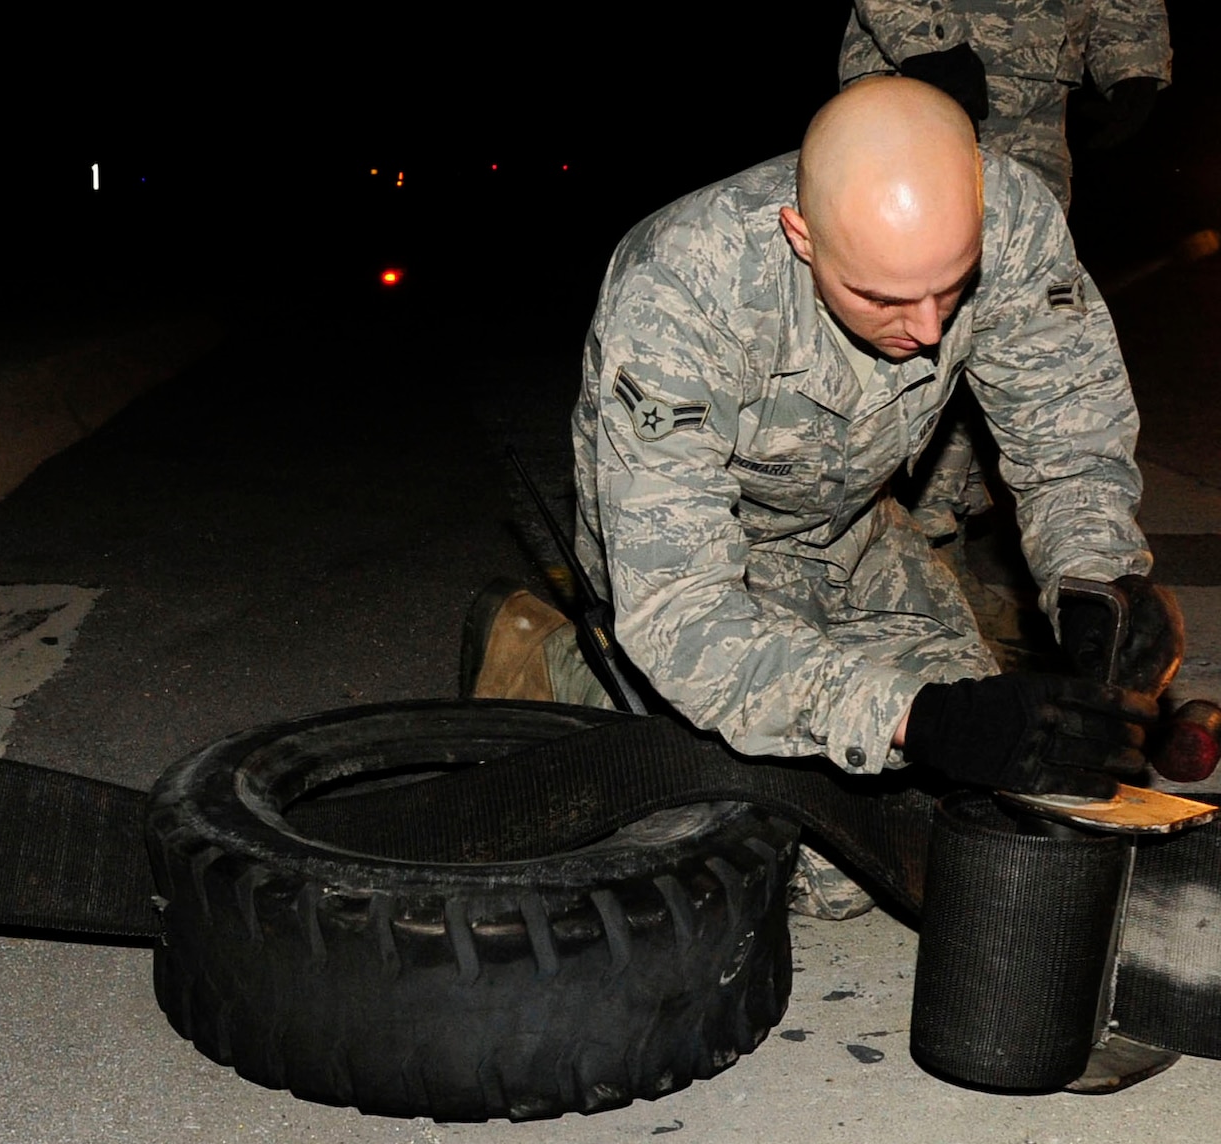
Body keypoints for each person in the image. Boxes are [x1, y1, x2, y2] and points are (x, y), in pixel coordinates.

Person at [465, 77, 1178, 924]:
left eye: (953, 287)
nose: (929, 330)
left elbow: (1065, 429)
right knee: (826, 858)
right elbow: (685, 610)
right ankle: (564, 662)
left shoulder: (1013, 219)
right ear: (801, 238)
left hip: (856, 534)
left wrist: (1096, 578)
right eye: (882, 298)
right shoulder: (682, 289)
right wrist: (916, 719)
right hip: (701, 571)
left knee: (976, 813)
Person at [841, 0, 1173, 541]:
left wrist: (1131, 58)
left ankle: (952, 524)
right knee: (909, 306)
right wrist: (927, 37)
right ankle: (899, 530)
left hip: (1039, 92)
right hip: (913, 79)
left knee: (1016, 314)